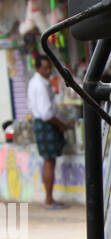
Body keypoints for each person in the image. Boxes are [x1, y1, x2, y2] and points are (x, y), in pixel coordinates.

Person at [27, 55, 66, 208]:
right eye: (45, 68)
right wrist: (61, 125)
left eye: (50, 67)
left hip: (41, 123)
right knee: (49, 161)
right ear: (37, 68)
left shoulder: (36, 82)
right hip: (46, 124)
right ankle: (49, 199)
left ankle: (49, 198)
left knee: (48, 161)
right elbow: (46, 114)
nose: (48, 71)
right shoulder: (40, 85)